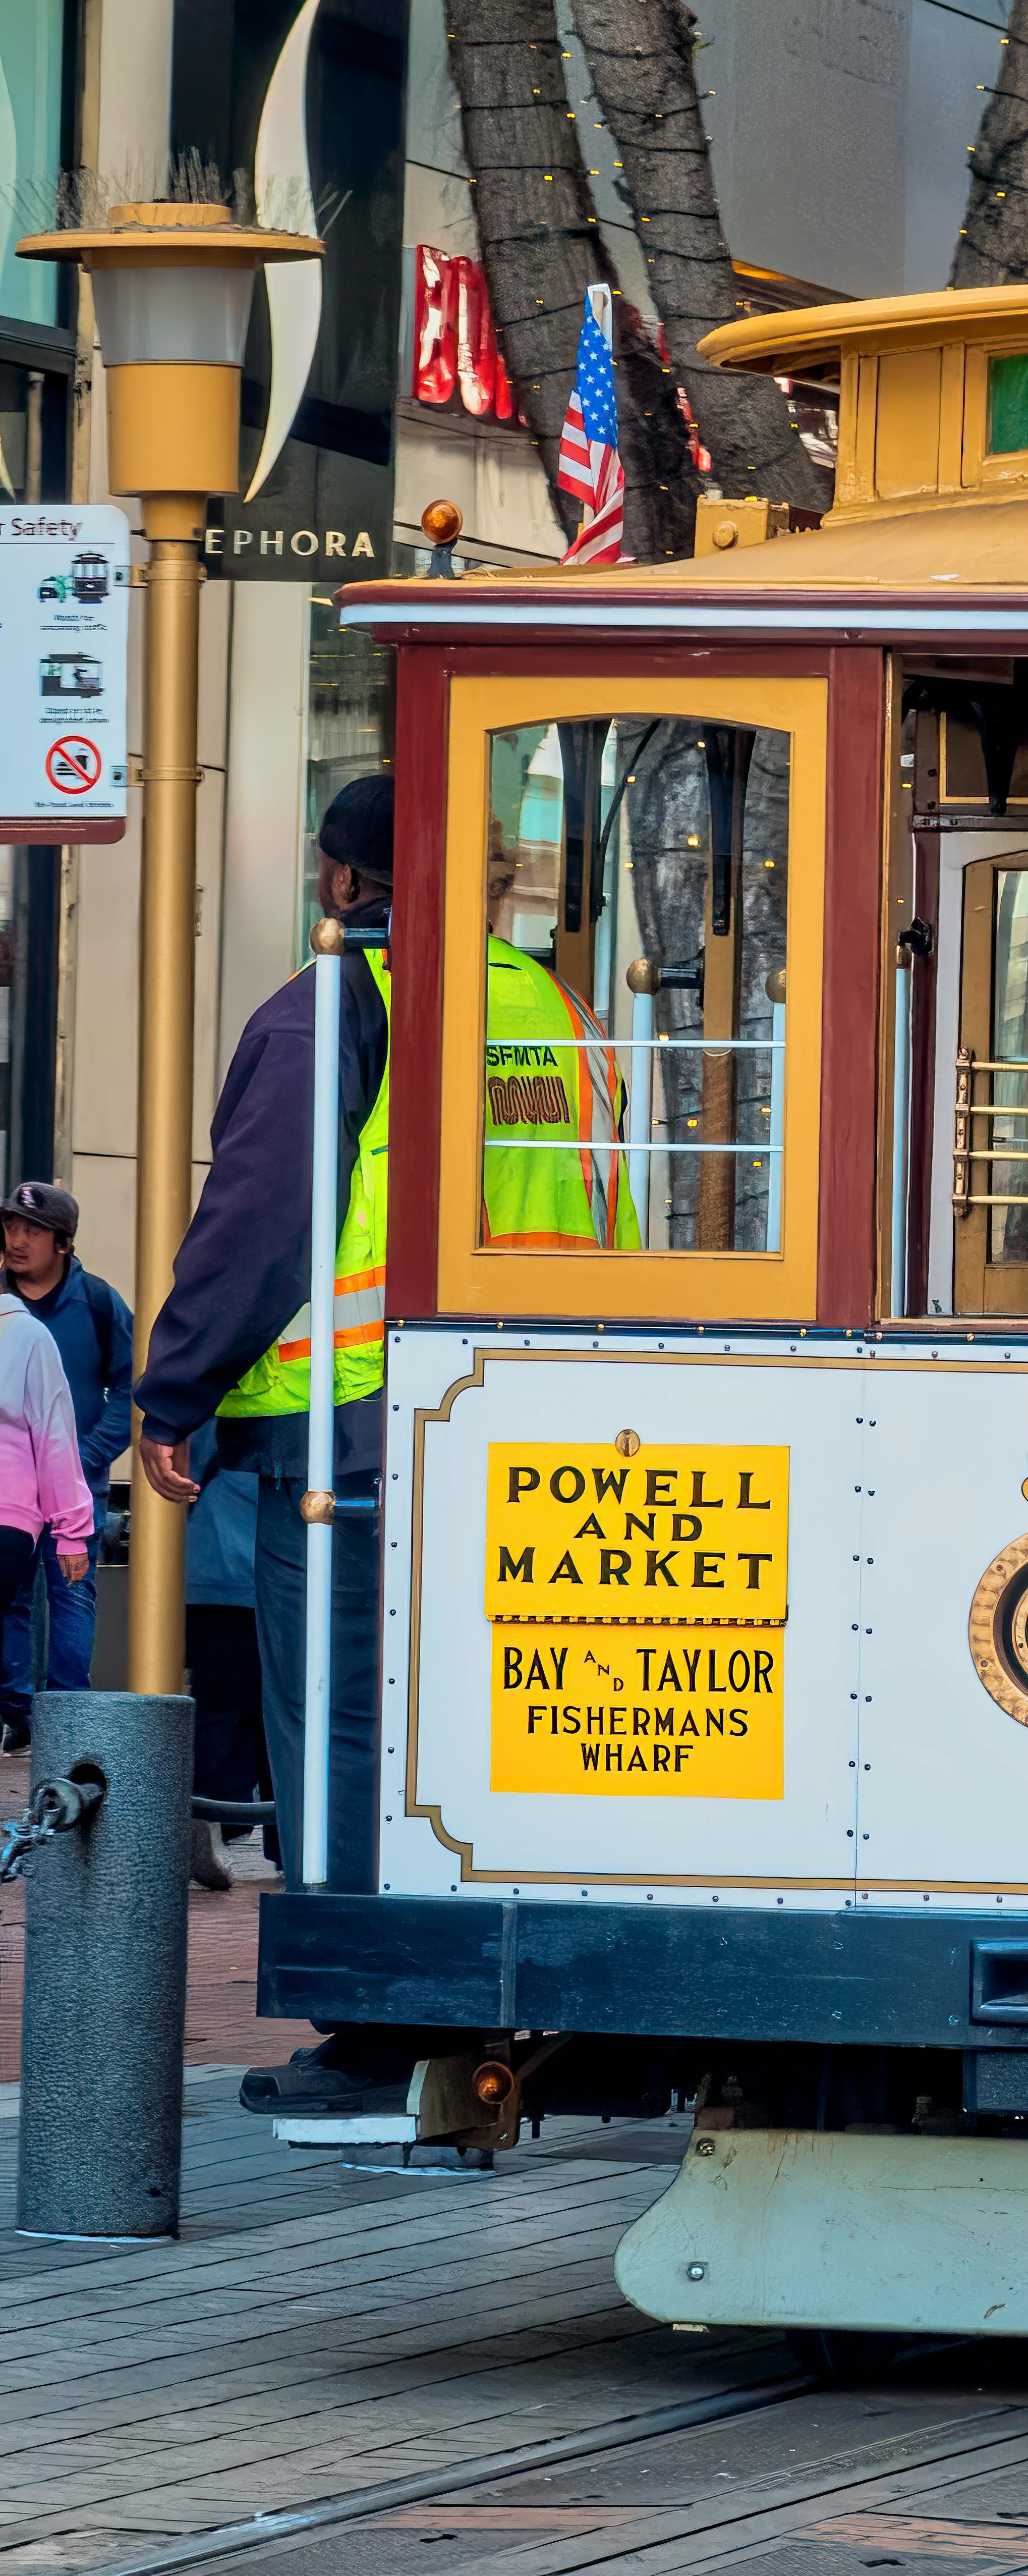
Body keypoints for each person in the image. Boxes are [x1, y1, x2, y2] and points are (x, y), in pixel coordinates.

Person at [138, 775, 633, 2114]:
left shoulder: (334, 1007)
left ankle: (372, 2019)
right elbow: (609, 1206)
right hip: (536, 1420)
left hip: (355, 1433)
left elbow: (255, 1226)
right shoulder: (555, 1010)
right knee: (478, 1732)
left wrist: (172, 1392)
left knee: (344, 1727)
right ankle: (480, 1989)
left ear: (351, 880)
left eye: (325, 870)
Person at [0, 1182, 130, 1711]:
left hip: (76, 1483)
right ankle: (16, 1713)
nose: (17, 1239)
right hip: (11, 1495)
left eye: (33, 1229)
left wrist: (87, 1455)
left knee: (72, 1594)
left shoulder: (98, 1301)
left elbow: (132, 1387)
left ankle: (67, 1711)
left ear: (64, 1243)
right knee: (12, 1602)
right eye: (11, 1226)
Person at [0, 1298, 91, 1751]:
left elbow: (55, 1432)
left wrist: (72, 1529)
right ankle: (16, 1718)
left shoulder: (27, 1335)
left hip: (7, 1512)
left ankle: (35, 1721)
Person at [183, 1417, 264, 1890]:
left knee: (220, 1705)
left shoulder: (208, 1390)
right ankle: (284, 1843)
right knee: (291, 1711)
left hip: (216, 1565)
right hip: (281, 1568)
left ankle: (214, 1824)